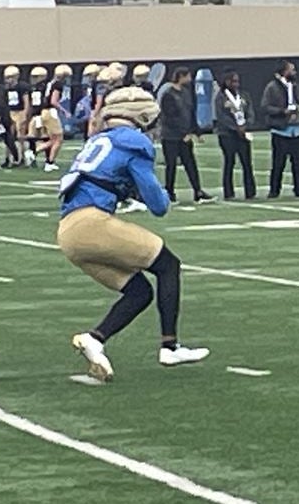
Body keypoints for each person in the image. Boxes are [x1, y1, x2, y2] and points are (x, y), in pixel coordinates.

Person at [58, 86, 210, 382]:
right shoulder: (133, 142)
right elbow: (158, 205)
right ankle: (170, 346)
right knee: (169, 265)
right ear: (142, 117)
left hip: (68, 232)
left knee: (140, 291)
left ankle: (95, 339)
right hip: (92, 223)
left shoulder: (101, 140)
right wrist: (155, 194)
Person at [159, 67, 214, 204]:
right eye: (188, 76)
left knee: (190, 164)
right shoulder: (169, 94)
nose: (190, 79)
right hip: (171, 136)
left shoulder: (186, 93)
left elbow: (190, 113)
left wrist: (196, 132)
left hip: (185, 136)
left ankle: (198, 191)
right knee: (171, 165)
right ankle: (170, 192)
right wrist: (183, 133)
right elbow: (169, 117)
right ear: (181, 77)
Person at [262, 60, 299, 199]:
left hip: (296, 130)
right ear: (284, 71)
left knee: (298, 162)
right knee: (278, 163)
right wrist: (282, 111)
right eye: (292, 70)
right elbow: (266, 107)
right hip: (281, 130)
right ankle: (274, 189)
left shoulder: (295, 86)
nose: (294, 72)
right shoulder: (272, 87)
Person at [214, 70, 257, 200]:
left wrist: (246, 125)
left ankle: (250, 192)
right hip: (227, 134)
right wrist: (235, 128)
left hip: (243, 134)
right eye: (233, 81)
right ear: (226, 82)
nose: (236, 84)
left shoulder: (244, 95)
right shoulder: (220, 97)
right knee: (229, 162)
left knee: (247, 163)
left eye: (237, 81)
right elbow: (221, 116)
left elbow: (250, 112)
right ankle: (228, 192)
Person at [40, 64, 71, 172]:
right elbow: (54, 101)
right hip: (50, 112)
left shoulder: (50, 83)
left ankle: (45, 158)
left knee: (53, 139)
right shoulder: (58, 84)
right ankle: (48, 161)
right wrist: (64, 111)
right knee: (58, 138)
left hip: (45, 111)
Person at [0, 65, 29, 168]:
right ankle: (8, 158)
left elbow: (26, 101)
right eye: (7, 77)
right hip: (10, 112)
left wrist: (25, 113)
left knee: (20, 137)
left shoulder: (22, 87)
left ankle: (23, 158)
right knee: (9, 137)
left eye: (11, 77)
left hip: (19, 111)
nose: (8, 80)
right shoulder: (5, 88)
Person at [25, 66, 50, 168]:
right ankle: (34, 156)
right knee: (34, 137)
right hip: (37, 114)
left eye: (36, 77)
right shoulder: (34, 88)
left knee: (44, 137)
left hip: (41, 114)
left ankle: (45, 158)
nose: (34, 79)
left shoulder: (45, 87)